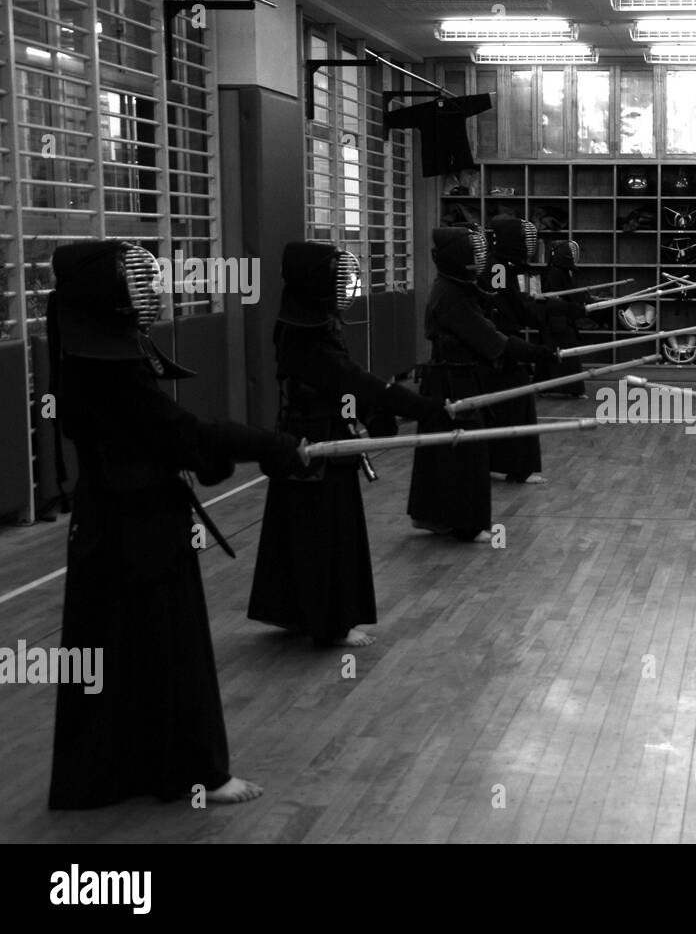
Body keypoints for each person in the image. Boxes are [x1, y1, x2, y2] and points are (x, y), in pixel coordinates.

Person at [46, 240, 306, 809]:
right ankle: (194, 774)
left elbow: (170, 438)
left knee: (127, 650)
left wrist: (240, 449)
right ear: (104, 296)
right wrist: (270, 445)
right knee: (167, 647)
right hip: (134, 526)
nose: (146, 292)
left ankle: (125, 770)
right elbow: (179, 435)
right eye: (131, 283)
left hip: (118, 522)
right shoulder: (103, 372)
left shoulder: (95, 356)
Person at [246, 242, 439, 648]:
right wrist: (419, 406)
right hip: (314, 444)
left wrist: (376, 415)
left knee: (308, 529)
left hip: (321, 434)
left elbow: (347, 385)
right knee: (323, 532)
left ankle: (298, 611)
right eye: (335, 279)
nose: (344, 286)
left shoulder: (314, 323)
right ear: (316, 284)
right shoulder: (303, 335)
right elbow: (352, 381)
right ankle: (328, 620)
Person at [407, 227, 555, 541]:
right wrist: (538, 353)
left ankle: (433, 516)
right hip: (450, 380)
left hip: (455, 375)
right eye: (472, 254)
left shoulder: (454, 288)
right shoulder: (450, 295)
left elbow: (488, 317)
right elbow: (490, 338)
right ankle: (464, 524)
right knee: (465, 452)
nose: (479, 259)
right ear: (458, 258)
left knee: (447, 451)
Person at [481, 215, 548, 481]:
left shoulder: (498, 265)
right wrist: (538, 315)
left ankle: (499, 464)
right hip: (501, 344)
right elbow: (508, 304)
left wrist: (531, 306)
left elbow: (511, 301)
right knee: (518, 401)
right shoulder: (498, 267)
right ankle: (519, 469)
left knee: (503, 404)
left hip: (497, 342)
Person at [533, 240, 588, 396]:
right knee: (566, 356)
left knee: (549, 355)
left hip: (559, 320)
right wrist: (577, 307)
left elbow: (570, 294)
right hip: (555, 322)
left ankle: (540, 388)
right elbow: (557, 300)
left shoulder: (562, 271)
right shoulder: (553, 273)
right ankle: (573, 390)